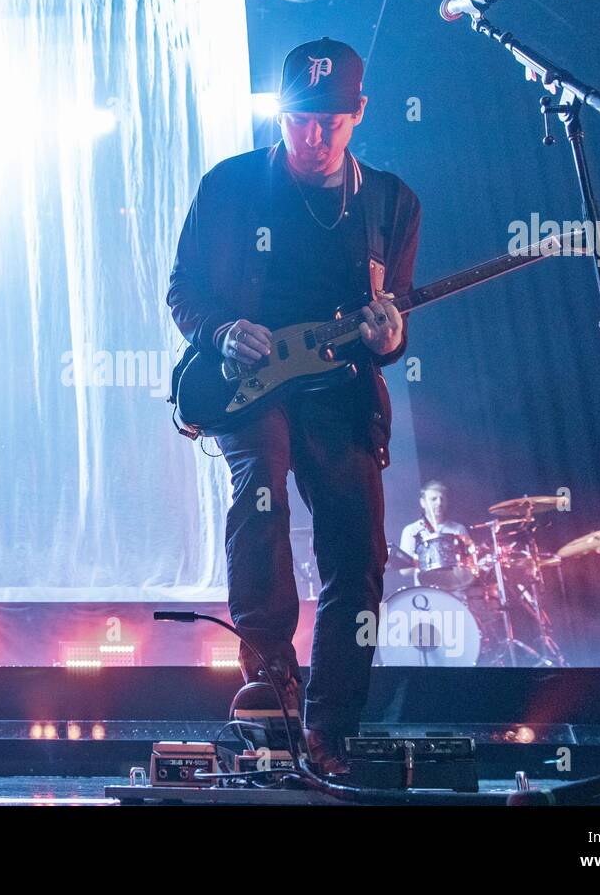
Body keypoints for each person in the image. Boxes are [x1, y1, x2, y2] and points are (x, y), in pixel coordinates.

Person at [166, 38, 420, 774]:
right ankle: (270, 676)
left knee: (359, 554)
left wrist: (390, 334)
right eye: (300, 120)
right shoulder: (232, 187)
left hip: (339, 390)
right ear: (278, 114)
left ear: (359, 114)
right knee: (261, 489)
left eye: (332, 121)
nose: (314, 136)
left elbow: (390, 322)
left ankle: (332, 722)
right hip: (251, 386)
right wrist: (221, 329)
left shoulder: (391, 202)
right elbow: (184, 288)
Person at [399, 480, 472, 562]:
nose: (439, 503)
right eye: (433, 499)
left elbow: (471, 562)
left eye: (442, 499)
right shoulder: (411, 531)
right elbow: (404, 570)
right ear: (423, 503)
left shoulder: (459, 529)